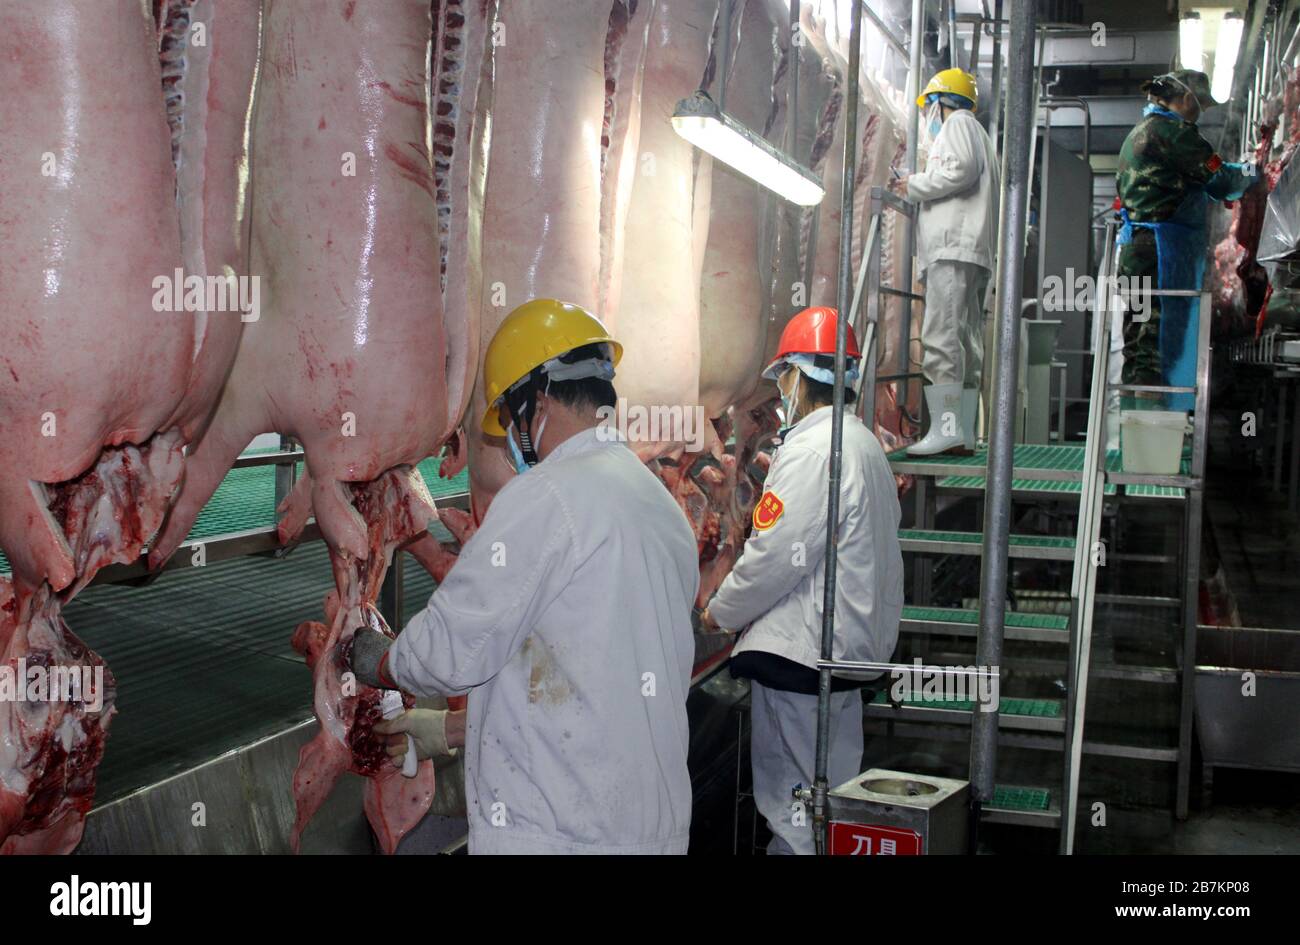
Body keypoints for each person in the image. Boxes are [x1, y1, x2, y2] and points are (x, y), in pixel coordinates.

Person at [350, 297, 700, 854]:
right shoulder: (655, 503)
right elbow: (593, 685)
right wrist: (448, 731)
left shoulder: (548, 497)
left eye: (510, 419)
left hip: (560, 833)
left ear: (536, 402)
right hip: (646, 830)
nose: (511, 441)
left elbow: (452, 649)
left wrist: (383, 661)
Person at [700, 306, 904, 855]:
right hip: (845, 651)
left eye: (782, 379)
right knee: (830, 794)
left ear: (794, 375)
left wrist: (720, 611)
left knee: (794, 809)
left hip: (806, 656)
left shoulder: (815, 448)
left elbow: (775, 557)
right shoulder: (862, 445)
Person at [1114, 69, 1259, 415]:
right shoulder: (1173, 133)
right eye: (1201, 104)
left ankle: (1134, 434)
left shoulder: (1142, 130)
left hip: (1138, 248)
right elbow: (1221, 180)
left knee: (1138, 342)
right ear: (1184, 98)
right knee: (1155, 342)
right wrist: (1255, 171)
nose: (1202, 112)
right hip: (1160, 251)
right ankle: (1150, 437)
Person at [899, 68, 999, 456]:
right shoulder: (979, 133)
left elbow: (960, 170)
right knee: (966, 341)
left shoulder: (958, 124)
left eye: (929, 107)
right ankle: (964, 430)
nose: (929, 116)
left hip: (952, 247)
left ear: (940, 103)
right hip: (968, 249)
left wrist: (914, 186)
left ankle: (946, 429)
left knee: (941, 339)